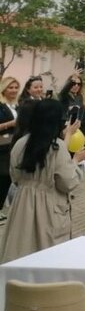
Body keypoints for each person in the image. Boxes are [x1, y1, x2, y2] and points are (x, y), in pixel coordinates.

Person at [0, 99, 85, 262]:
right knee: (46, 252)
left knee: (20, 248)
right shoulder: (56, 147)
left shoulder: (20, 143)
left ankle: (16, 285)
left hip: (21, 204)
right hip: (49, 207)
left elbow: (14, 177)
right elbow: (67, 183)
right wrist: (75, 161)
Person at [0, 76, 21, 213]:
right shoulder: (1, 106)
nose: (13, 90)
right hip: (2, 147)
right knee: (2, 177)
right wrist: (11, 124)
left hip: (13, 147)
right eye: (10, 87)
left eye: (15, 87)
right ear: (4, 89)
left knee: (7, 178)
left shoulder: (17, 105)